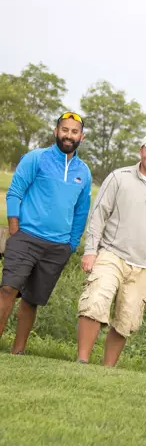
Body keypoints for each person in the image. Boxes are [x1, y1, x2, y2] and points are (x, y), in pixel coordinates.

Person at [76, 133, 146, 366]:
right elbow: (98, 215)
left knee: (127, 320)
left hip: (145, 265)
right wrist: (90, 250)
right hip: (111, 254)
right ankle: (82, 361)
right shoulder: (119, 177)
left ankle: (107, 368)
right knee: (95, 301)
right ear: (140, 151)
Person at [0, 112, 91, 354]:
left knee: (31, 299)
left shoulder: (84, 172)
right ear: (56, 131)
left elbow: (81, 211)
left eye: (74, 132)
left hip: (56, 247)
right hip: (25, 237)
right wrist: (14, 231)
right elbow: (15, 193)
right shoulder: (36, 158)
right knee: (8, 289)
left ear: (81, 136)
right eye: (64, 130)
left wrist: (71, 244)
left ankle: (18, 351)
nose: (68, 136)